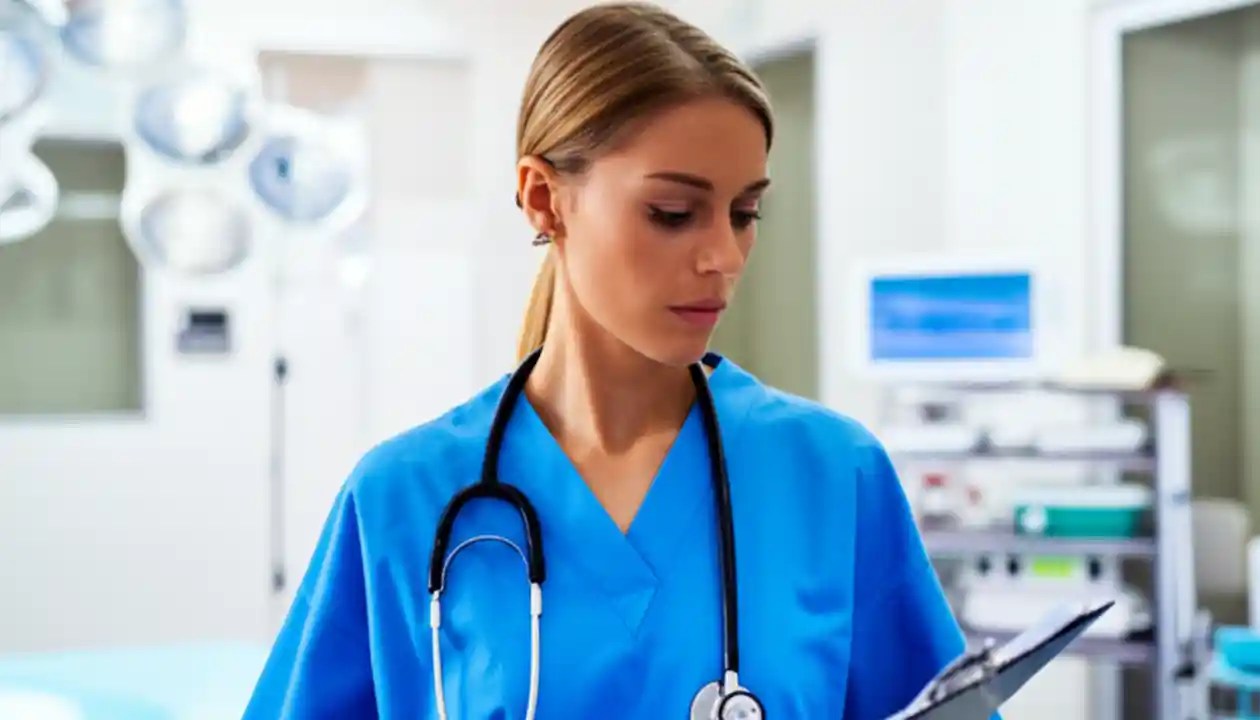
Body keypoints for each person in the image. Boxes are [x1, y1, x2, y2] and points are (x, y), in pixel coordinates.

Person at [242, 3, 973, 718]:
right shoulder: (402, 500)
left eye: (745, 214)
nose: (724, 257)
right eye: (673, 214)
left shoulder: (831, 474)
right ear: (544, 199)